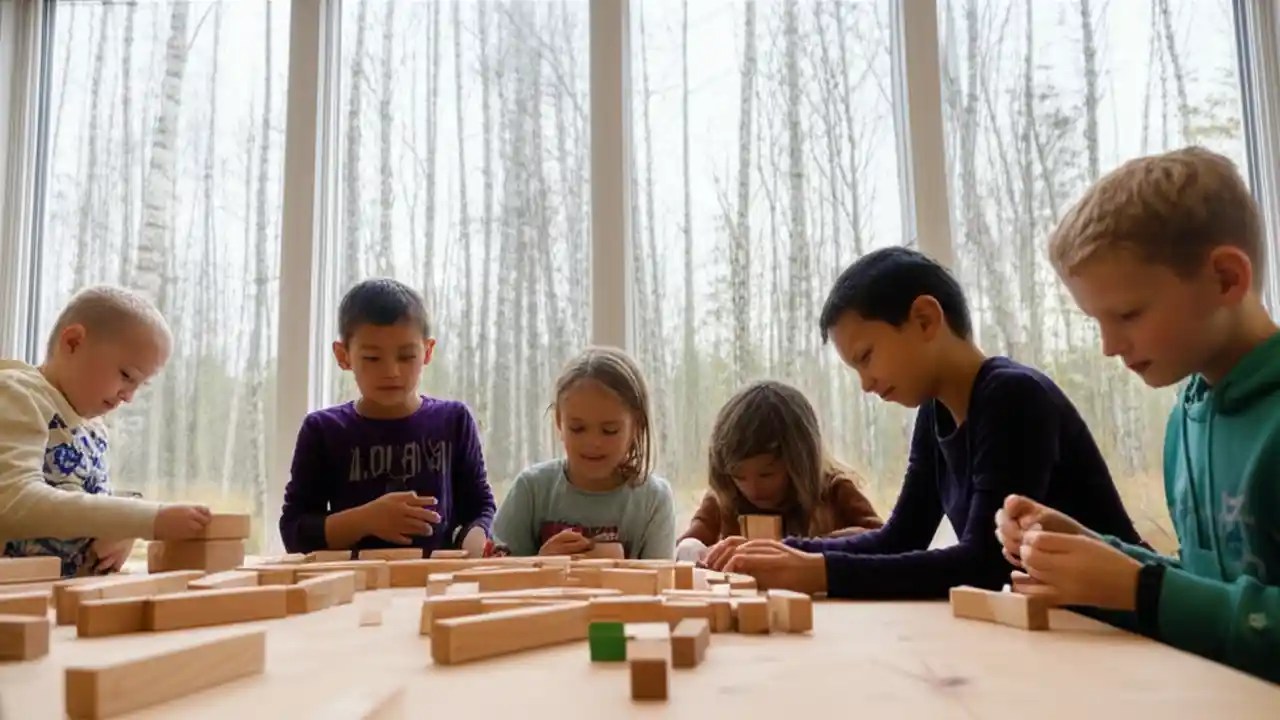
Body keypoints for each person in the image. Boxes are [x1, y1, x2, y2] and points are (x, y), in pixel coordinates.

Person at [998, 147, 1280, 683]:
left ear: (1226, 279)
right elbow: (1213, 598)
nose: (1109, 345)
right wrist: (1090, 552)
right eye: (1097, 321)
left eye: (1127, 314)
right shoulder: (1184, 423)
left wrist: (1141, 589)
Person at [719, 247, 1144, 598]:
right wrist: (779, 551)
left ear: (925, 319)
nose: (865, 384)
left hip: (1125, 620)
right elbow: (900, 537)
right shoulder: (934, 411)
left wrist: (819, 572)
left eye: (866, 357)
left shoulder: (1013, 395)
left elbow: (984, 563)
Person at [0, 286, 212, 577]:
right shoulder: (16, 395)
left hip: (66, 594)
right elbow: (14, 501)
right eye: (126, 375)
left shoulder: (93, 428)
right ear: (73, 342)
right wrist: (146, 519)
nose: (129, 396)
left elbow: (78, 497)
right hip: (15, 594)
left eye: (139, 385)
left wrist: (123, 531)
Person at [280, 278, 495, 556]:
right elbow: (294, 531)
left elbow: (480, 507)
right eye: (372, 358)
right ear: (343, 356)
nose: (391, 372)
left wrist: (477, 537)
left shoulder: (454, 421)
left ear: (427, 351)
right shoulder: (322, 430)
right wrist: (366, 520)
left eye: (406, 357)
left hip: (437, 579)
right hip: (354, 581)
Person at [492, 347, 675, 559]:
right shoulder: (531, 489)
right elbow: (496, 572)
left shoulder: (654, 500)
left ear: (637, 426)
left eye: (609, 430)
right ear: (559, 421)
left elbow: (663, 578)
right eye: (577, 428)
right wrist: (542, 563)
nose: (593, 442)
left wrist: (616, 569)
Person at [676, 380, 881, 564]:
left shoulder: (835, 491)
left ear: (800, 464)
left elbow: (881, 540)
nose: (753, 489)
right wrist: (692, 549)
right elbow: (692, 539)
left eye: (766, 474)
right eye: (739, 476)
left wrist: (804, 549)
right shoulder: (724, 497)